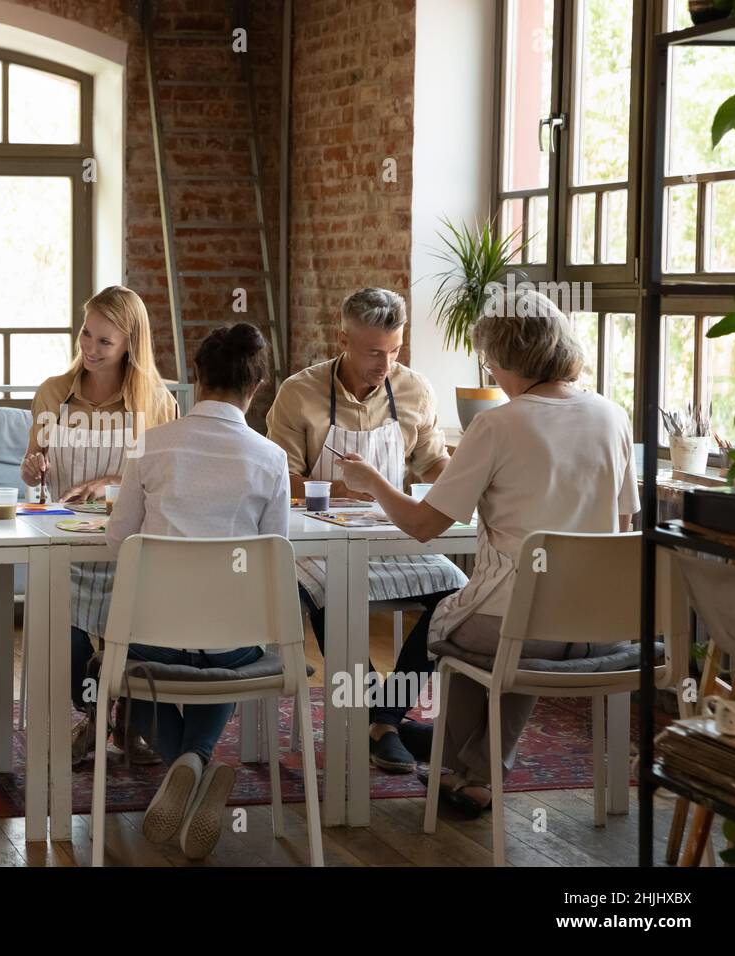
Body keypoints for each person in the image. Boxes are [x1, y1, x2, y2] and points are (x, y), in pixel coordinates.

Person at [337, 288, 639, 814]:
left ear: (505, 358)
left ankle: (459, 761)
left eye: (490, 363)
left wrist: (372, 484)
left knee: (459, 623)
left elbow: (424, 525)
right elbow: (622, 526)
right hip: (601, 626)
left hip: (519, 625)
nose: (491, 374)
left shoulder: (498, 423)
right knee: (518, 621)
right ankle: (471, 770)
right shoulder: (613, 416)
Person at [106, 322, 289, 860]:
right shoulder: (270, 458)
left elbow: (121, 541)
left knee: (135, 676)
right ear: (256, 388)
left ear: (195, 378)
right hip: (231, 644)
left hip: (151, 642)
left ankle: (185, 764)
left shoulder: (153, 446)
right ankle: (199, 760)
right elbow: (275, 553)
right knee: (229, 640)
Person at [265, 288, 466, 774]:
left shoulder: (414, 390)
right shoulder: (300, 391)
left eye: (395, 350)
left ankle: (383, 716)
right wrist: (337, 486)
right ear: (344, 340)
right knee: (334, 590)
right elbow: (279, 478)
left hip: (394, 532)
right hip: (316, 540)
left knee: (459, 598)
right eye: (375, 351)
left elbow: (433, 462)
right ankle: (387, 720)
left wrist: (467, 473)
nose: (385, 363)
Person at [19, 285, 177, 763]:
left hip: (132, 544)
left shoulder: (156, 401)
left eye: (104, 342)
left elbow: (163, 475)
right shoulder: (53, 393)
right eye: (86, 334)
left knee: (142, 633)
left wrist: (108, 482)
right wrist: (33, 468)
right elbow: (35, 463)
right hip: (63, 544)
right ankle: (95, 711)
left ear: (131, 343)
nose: (89, 348)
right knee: (65, 638)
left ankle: (124, 717)